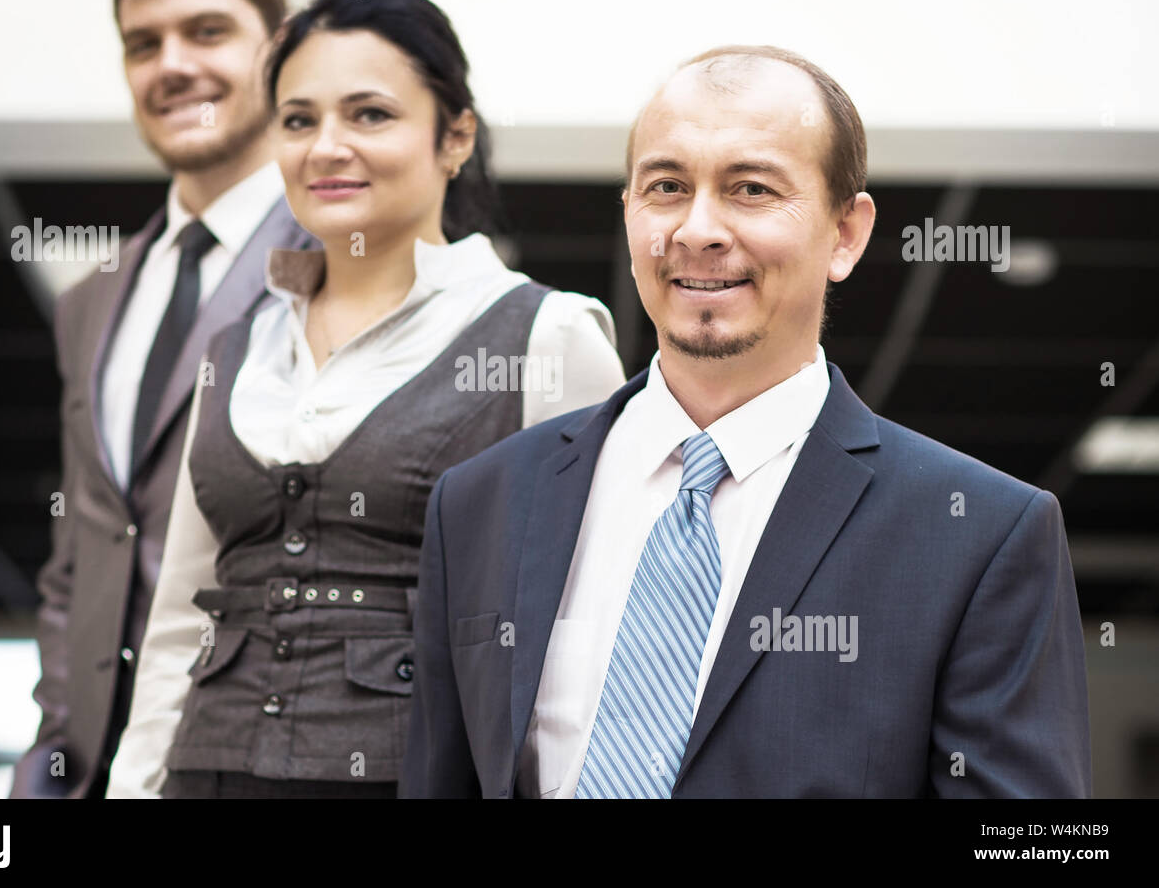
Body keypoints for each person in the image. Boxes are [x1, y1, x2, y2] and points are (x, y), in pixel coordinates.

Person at [400, 45, 1092, 799]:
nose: (697, 230)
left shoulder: (981, 535)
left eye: (752, 189)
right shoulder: (480, 503)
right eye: (667, 187)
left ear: (846, 233)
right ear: (629, 213)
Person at [106, 0, 626, 799]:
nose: (327, 147)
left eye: (370, 115)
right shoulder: (235, 347)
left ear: (455, 136)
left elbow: (592, 627)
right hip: (206, 774)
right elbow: (179, 620)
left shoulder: (547, 335)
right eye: (298, 120)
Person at [12, 0, 318, 799]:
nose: (172, 64)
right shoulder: (92, 300)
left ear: (280, 46)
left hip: (248, 767)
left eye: (207, 32)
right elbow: (79, 558)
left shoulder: (337, 262)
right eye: (143, 44)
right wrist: (50, 756)